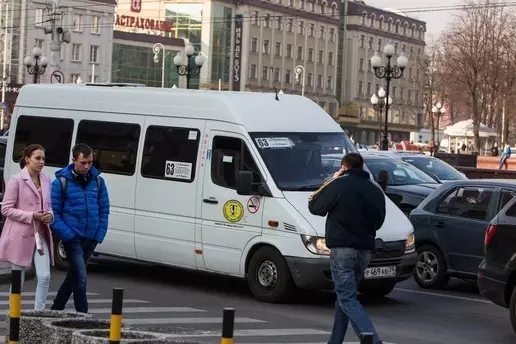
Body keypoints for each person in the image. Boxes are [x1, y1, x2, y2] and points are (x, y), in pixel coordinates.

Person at [308, 153, 386, 344]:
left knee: (348, 299)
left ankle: (373, 341)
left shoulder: (339, 184)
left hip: (342, 249)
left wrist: (333, 179)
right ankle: (335, 341)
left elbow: (314, 205)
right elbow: (379, 221)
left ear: (344, 167)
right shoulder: (374, 190)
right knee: (344, 298)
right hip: (364, 251)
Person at [50, 143, 110, 313]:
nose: (87, 166)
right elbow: (54, 213)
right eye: (83, 162)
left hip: (91, 237)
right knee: (81, 277)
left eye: (90, 162)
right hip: (72, 237)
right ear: (74, 160)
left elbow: (104, 209)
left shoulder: (98, 181)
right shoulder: (61, 182)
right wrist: (68, 235)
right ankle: (83, 315)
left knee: (74, 275)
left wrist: (99, 233)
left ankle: (56, 309)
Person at [0, 144, 54, 310]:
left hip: (41, 233)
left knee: (44, 276)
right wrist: (31, 216)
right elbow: (6, 209)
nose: (41, 162)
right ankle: (13, 314)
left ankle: (38, 314)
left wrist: (50, 215)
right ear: (27, 159)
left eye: (43, 159)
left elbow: (49, 205)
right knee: (18, 277)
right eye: (37, 158)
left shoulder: (46, 180)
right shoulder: (16, 180)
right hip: (20, 235)